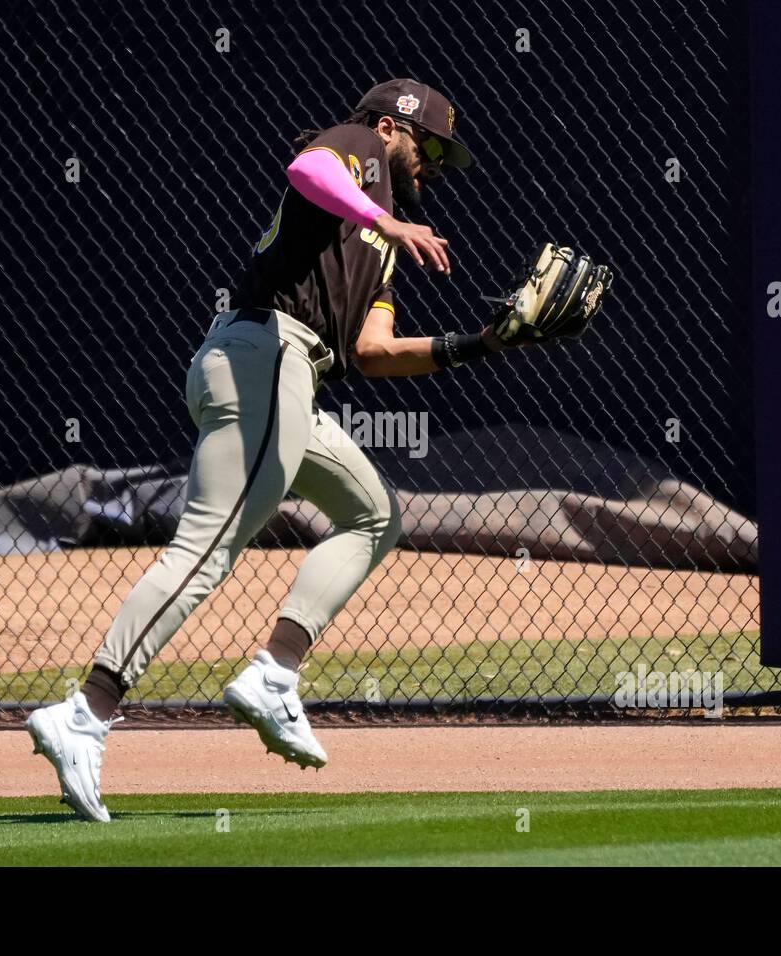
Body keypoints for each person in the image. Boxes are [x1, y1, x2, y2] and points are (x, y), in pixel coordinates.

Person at [28, 79, 525, 821]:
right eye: (429, 146)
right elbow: (307, 171)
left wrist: (477, 346)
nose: (434, 165)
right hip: (266, 354)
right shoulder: (361, 152)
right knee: (209, 546)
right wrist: (384, 221)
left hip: (292, 375)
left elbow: (372, 351)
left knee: (373, 514)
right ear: (392, 127)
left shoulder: (381, 240)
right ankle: (85, 712)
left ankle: (275, 672)